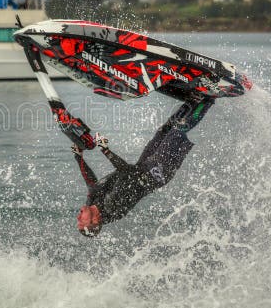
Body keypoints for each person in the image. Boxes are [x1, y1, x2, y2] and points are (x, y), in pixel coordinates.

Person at [73, 95, 214, 237]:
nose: (78, 217)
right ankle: (209, 98)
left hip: (144, 166)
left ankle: (193, 99)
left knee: (165, 129)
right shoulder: (113, 206)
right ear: (95, 219)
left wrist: (78, 156)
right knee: (179, 129)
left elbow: (92, 184)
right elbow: (127, 171)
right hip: (157, 172)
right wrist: (105, 150)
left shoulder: (91, 204)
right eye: (82, 221)